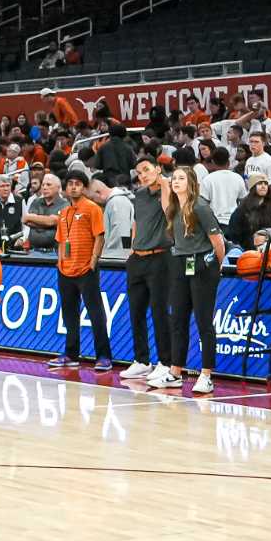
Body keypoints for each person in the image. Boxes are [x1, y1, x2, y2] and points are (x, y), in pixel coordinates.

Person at [160, 168, 226, 394]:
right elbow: (164, 197)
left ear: (191, 183)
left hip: (202, 266)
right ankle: (175, 372)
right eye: (174, 178)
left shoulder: (200, 207)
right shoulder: (173, 208)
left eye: (181, 178)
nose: (176, 181)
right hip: (179, 264)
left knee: (203, 322)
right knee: (177, 319)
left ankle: (206, 375)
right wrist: (161, 183)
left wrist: (215, 267)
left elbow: (218, 241)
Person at [49, 172, 111, 371]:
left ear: (84, 188)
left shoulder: (92, 209)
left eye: (78, 184)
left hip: (86, 269)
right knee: (69, 314)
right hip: (65, 270)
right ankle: (71, 354)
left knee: (95, 313)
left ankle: (103, 356)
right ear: (66, 189)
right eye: (70, 184)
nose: (74, 187)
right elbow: (60, 240)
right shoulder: (64, 212)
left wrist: (93, 262)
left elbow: (99, 237)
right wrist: (60, 262)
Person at [119, 159, 173, 381]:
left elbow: (168, 212)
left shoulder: (168, 191)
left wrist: (166, 184)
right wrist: (133, 248)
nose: (142, 175)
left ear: (158, 170)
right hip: (138, 259)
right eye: (139, 172)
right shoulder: (139, 196)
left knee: (159, 312)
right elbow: (136, 223)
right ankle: (142, 360)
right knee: (136, 312)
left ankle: (165, 362)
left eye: (147, 170)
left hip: (160, 257)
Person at [21, 171, 67, 254]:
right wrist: (48, 223)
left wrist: (33, 218)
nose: (44, 187)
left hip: (54, 252)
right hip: (34, 251)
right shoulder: (36, 202)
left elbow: (55, 221)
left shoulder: (65, 204)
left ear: (58, 188)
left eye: (48, 185)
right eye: (43, 185)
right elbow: (25, 220)